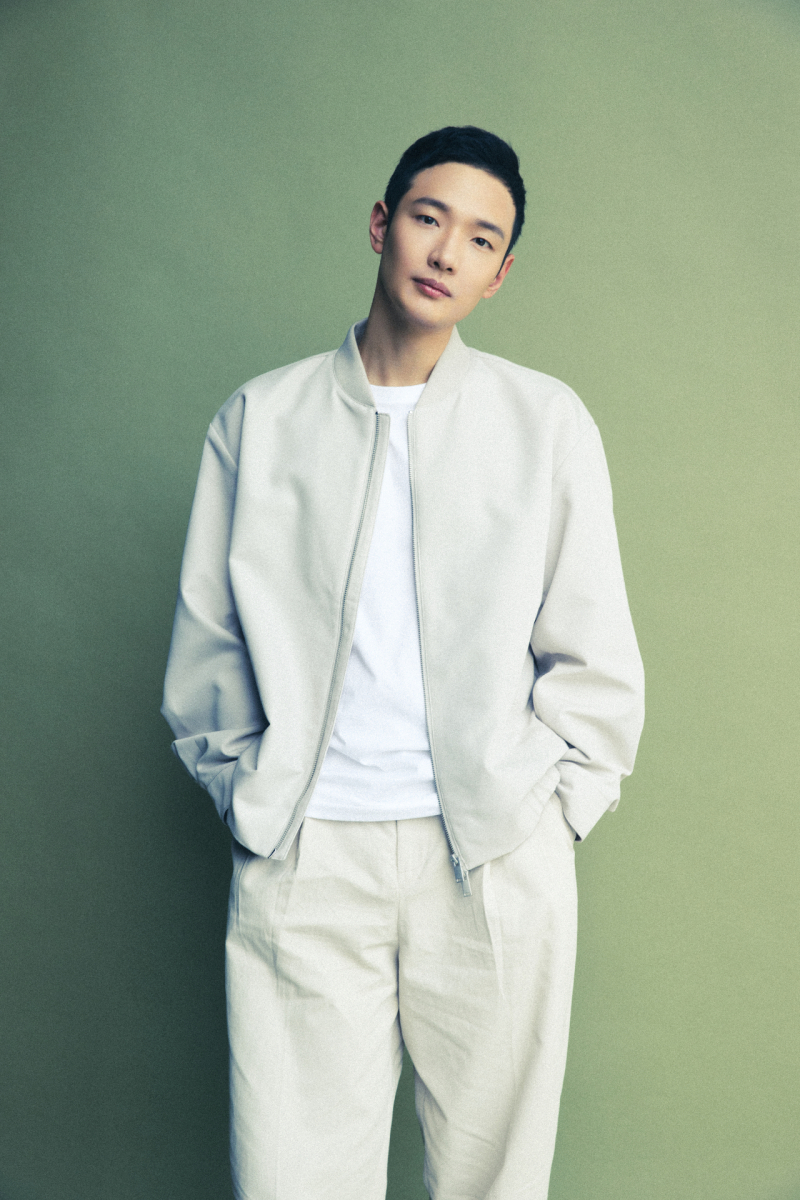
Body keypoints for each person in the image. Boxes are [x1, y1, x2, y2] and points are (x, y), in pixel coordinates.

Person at [162, 125, 645, 1200]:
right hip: (305, 855)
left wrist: (552, 815)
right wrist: (252, 795)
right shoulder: (261, 420)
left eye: (480, 239)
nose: (445, 251)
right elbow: (208, 645)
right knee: (291, 1178)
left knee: (493, 1184)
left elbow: (594, 651)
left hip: (491, 857)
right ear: (382, 224)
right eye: (428, 218)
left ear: (498, 273)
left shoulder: (544, 423)